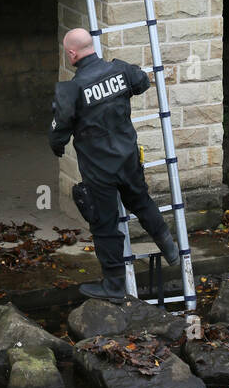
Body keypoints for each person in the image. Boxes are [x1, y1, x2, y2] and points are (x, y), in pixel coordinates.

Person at [49, 27, 179, 301]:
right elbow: (142, 82)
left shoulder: (72, 89)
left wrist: (57, 146)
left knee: (105, 224)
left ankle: (114, 286)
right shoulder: (119, 70)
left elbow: (58, 131)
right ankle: (170, 248)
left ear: (72, 53)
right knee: (141, 201)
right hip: (128, 159)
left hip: (100, 171)